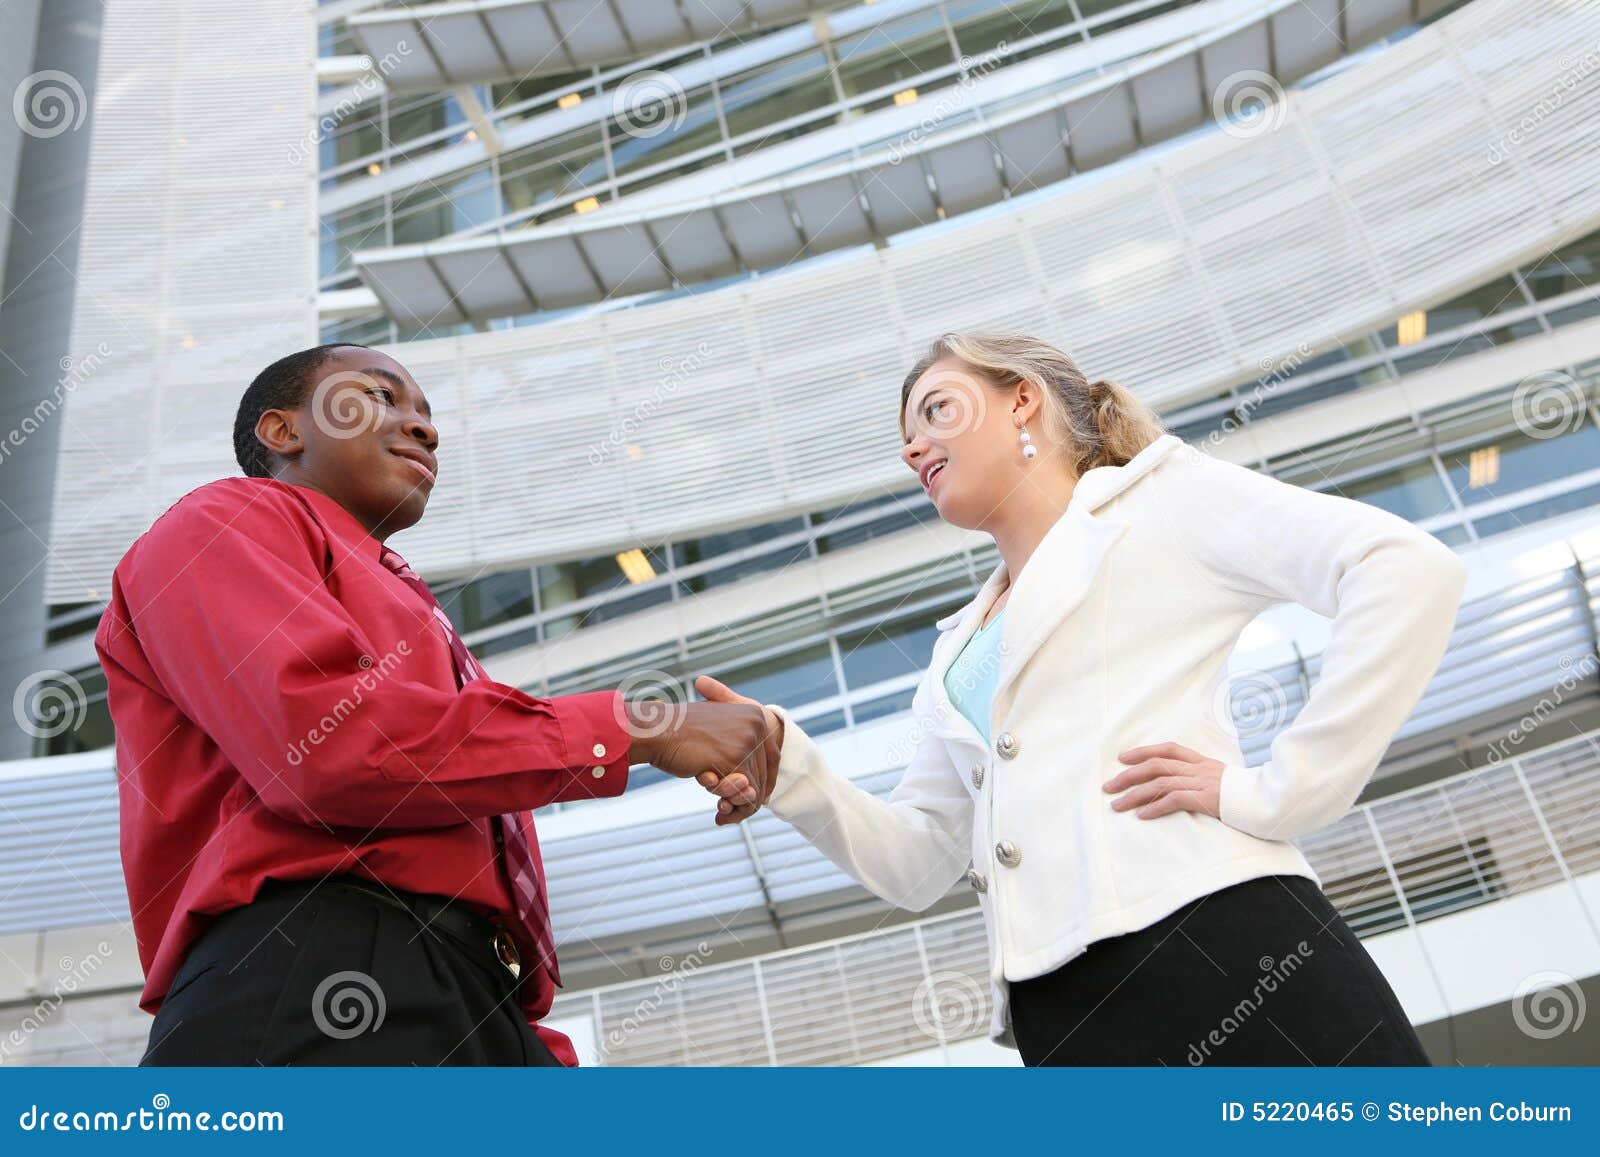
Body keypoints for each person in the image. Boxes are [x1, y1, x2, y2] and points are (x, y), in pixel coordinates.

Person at [698, 330, 1465, 1065]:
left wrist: (1277, 794)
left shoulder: (1159, 497)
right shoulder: (957, 648)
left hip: (1220, 942)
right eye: (906, 436)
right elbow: (918, 861)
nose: (912, 448)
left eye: (935, 409)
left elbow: (1405, 569)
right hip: (1059, 1016)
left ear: (1023, 399)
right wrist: (786, 764)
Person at [96, 343, 773, 1066]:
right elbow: (332, 753)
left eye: (426, 412)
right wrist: (645, 728)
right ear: (282, 431)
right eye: (381, 397)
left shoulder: (413, 610)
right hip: (310, 960)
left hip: (462, 990)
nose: (424, 428)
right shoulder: (219, 521)